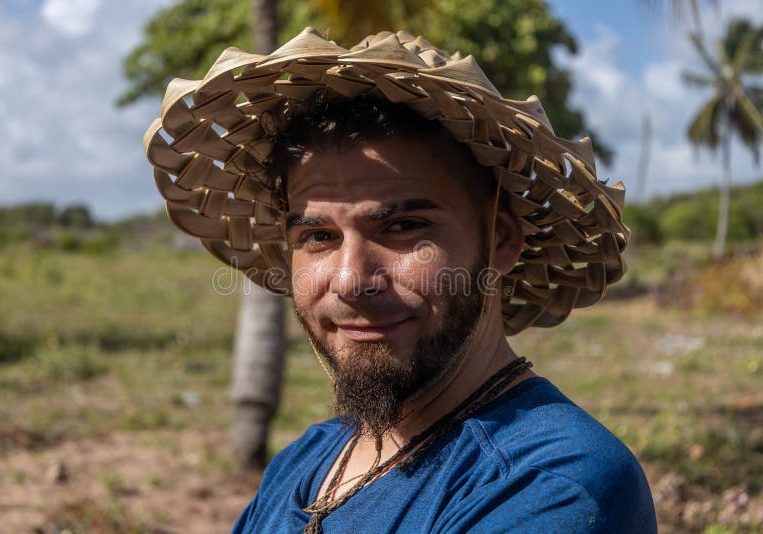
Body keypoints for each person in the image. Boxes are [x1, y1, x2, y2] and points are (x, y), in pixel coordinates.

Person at [144, 28, 657, 533]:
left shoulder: (548, 484)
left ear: (501, 241)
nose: (350, 280)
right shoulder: (306, 461)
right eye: (318, 236)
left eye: (404, 227)